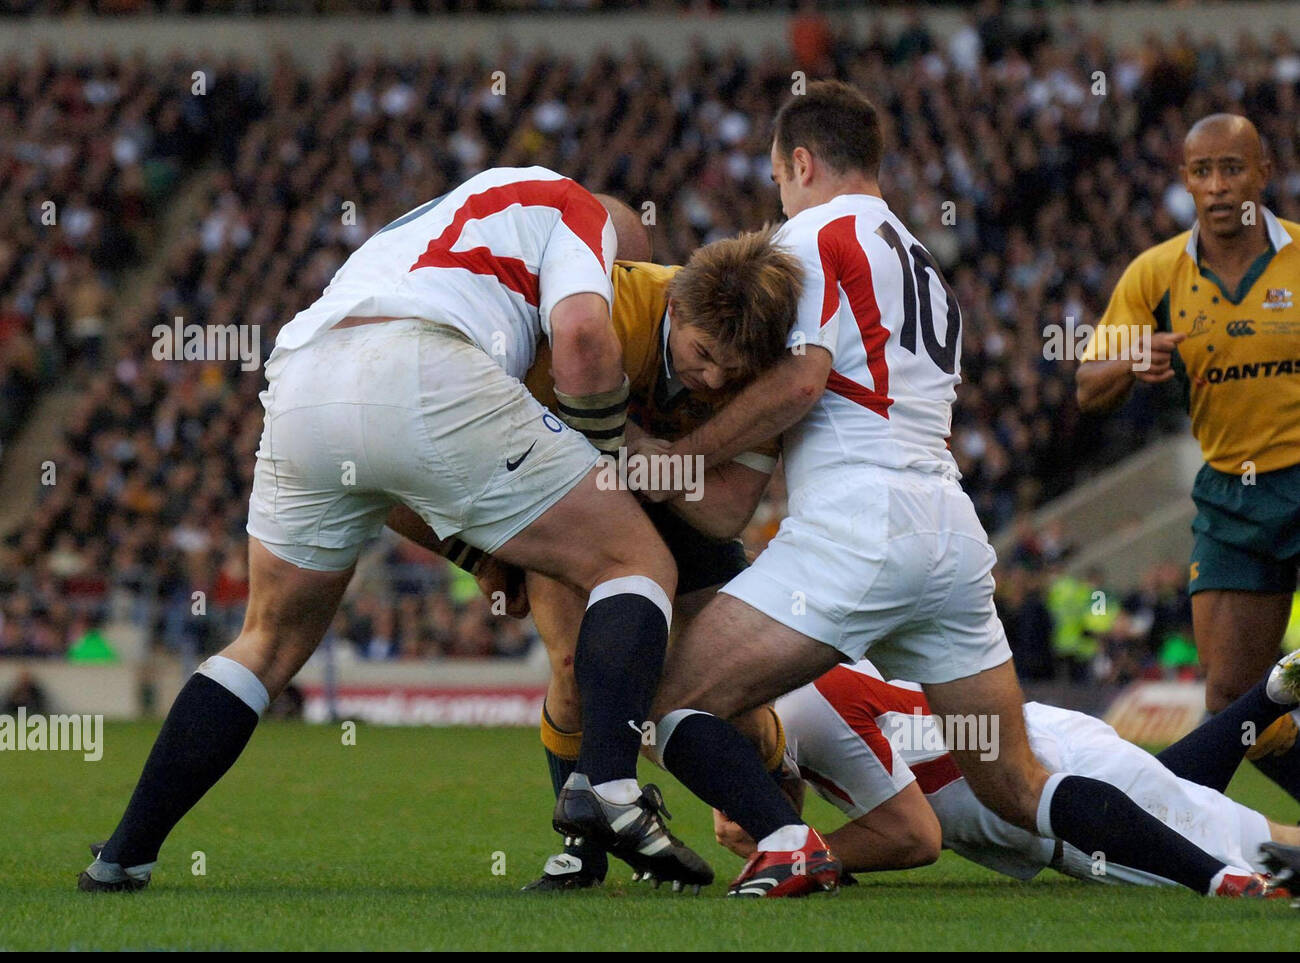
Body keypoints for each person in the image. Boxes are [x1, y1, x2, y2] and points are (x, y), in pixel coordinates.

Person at [636, 82, 1275, 899]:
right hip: (949, 532)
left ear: (799, 162)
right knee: (1017, 780)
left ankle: (788, 843)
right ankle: (1218, 878)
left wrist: (676, 454)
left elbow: (801, 384)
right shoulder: (925, 262)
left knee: (664, 699)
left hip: (859, 525)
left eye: (777, 175)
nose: (777, 194)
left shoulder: (810, 234)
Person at [80, 167, 711, 891]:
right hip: (422, 362)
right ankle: (609, 789)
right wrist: (595, 470)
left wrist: (477, 551)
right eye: (623, 268)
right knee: (633, 559)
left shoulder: (418, 228)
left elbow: (388, 479)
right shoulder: (579, 213)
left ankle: (126, 852)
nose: (624, 281)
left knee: (267, 639)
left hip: (304, 382)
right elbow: (582, 334)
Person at [393, 226, 802, 890]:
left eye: (733, 370)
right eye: (703, 355)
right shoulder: (607, 307)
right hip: (573, 496)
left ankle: (776, 755)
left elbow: (727, 513)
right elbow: (518, 415)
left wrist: (637, 452)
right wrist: (629, 444)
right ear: (676, 307)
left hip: (686, 521)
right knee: (572, 667)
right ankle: (584, 849)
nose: (715, 377)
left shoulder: (767, 369)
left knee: (714, 698)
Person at [1076, 113, 1300, 802]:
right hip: (1233, 496)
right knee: (1234, 698)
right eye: (1201, 171)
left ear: (1263, 174)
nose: (1218, 185)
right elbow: (1088, 387)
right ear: (1185, 182)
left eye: (1233, 168)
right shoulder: (1156, 273)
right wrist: (1130, 360)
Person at [713, 656, 1300, 893]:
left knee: (1267, 853)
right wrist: (769, 823)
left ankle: (1226, 882)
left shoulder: (811, 711)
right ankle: (1270, 694)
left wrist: (800, 853)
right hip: (1048, 744)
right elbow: (787, 762)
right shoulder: (796, 680)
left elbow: (914, 838)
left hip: (1056, 787)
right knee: (1177, 805)